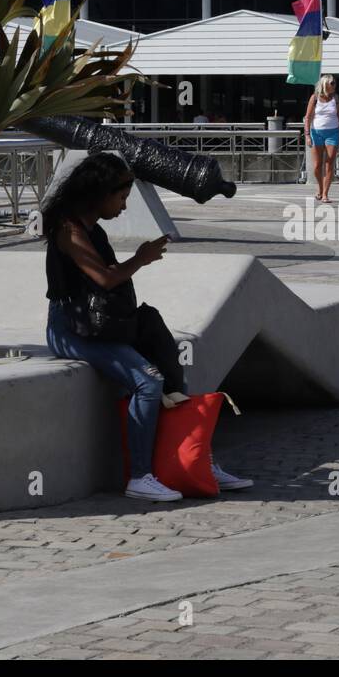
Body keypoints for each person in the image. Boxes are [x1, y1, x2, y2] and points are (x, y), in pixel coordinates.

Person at [42, 153, 252, 501]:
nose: (124, 206)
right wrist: (141, 258)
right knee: (148, 380)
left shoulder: (94, 229)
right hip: (70, 329)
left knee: (172, 372)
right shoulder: (69, 229)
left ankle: (195, 460)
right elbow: (105, 279)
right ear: (99, 193)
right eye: (121, 197)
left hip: (99, 325)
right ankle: (140, 477)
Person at [304, 74, 339, 203]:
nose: (334, 85)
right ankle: (320, 188)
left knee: (329, 164)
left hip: (333, 133)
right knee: (317, 166)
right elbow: (308, 117)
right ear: (325, 84)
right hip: (316, 133)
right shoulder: (315, 98)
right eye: (332, 83)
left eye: (335, 83)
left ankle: (325, 194)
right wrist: (307, 135)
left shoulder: (337, 99)